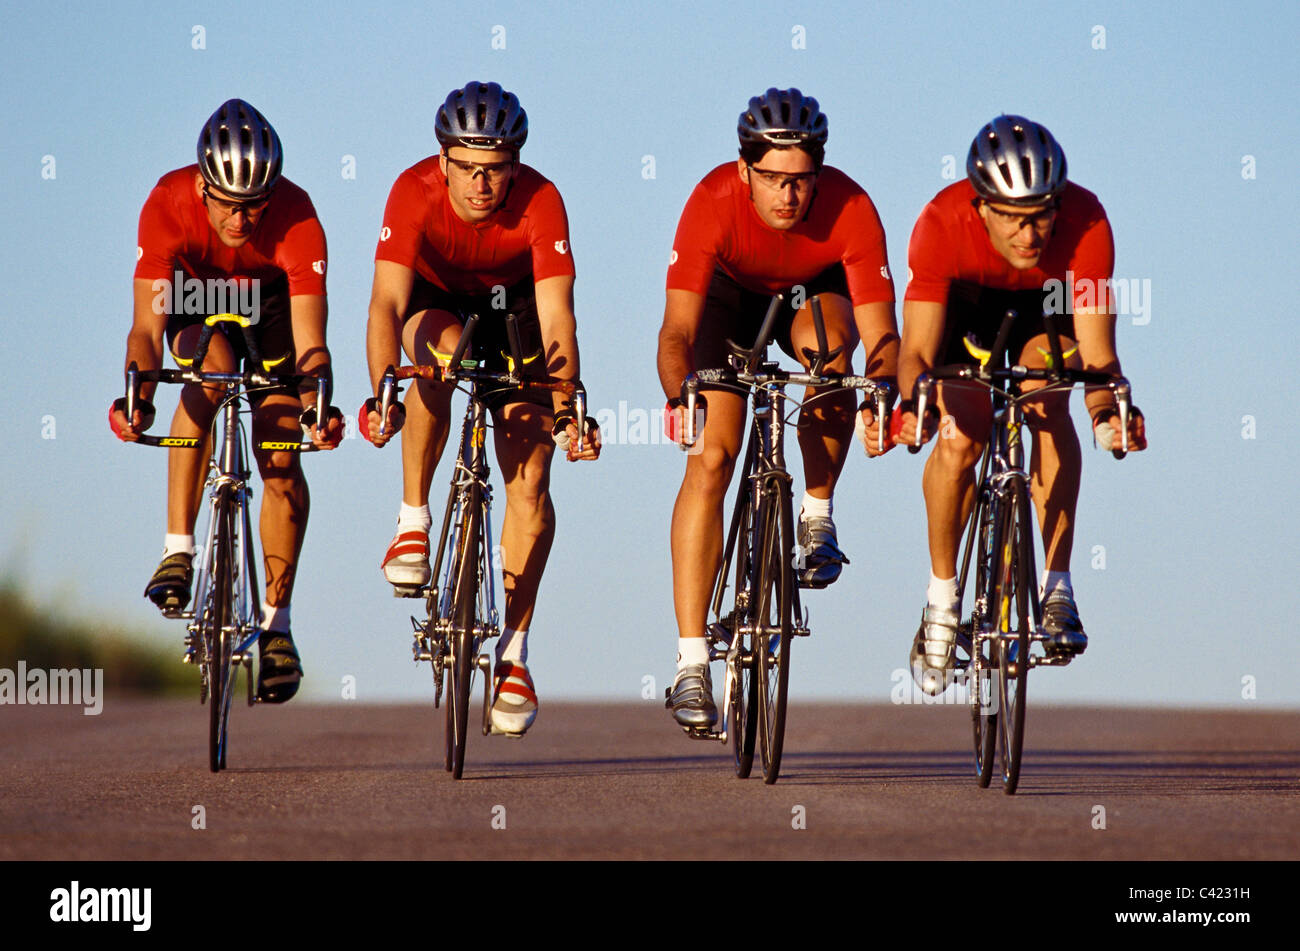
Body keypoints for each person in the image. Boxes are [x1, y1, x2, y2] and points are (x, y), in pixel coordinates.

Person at [360, 81, 600, 736]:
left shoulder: (543, 202)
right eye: (467, 168)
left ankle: (514, 655)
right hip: (439, 308)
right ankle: (413, 519)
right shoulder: (412, 191)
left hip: (515, 314)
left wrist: (569, 402)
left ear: (515, 166)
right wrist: (382, 388)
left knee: (531, 477)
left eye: (495, 170)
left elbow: (557, 319)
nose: (482, 184)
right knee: (438, 359)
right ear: (443, 161)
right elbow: (385, 305)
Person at [657, 88, 898, 729]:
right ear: (745, 170)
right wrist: (679, 394)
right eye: (772, 179)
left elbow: (884, 336)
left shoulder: (850, 207)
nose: (788, 196)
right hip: (727, 306)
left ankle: (817, 515)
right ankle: (690, 665)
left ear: (820, 172)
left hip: (811, 299)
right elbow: (677, 332)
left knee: (830, 352)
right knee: (711, 460)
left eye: (802, 181)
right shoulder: (711, 203)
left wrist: (883, 396)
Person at [894, 114, 1147, 693]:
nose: (1030, 235)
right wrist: (917, 407)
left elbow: (1097, 352)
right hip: (967, 308)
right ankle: (941, 602)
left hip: (1043, 310)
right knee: (960, 437)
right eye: (1013, 219)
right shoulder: (940, 222)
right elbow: (916, 353)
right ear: (981, 207)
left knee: (1048, 401)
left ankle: (1056, 588)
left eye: (1041, 217)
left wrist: (1109, 414)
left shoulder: (1086, 223)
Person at [110, 98, 342, 704]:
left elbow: (311, 340)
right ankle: (178, 552)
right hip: (195, 295)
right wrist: (137, 393)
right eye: (228, 205)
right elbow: (145, 329)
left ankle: (277, 626)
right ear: (202, 186)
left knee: (281, 451)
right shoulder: (167, 205)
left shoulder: (296, 215)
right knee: (208, 377)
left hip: (270, 308)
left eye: (254, 207)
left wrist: (318, 400)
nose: (241, 220)